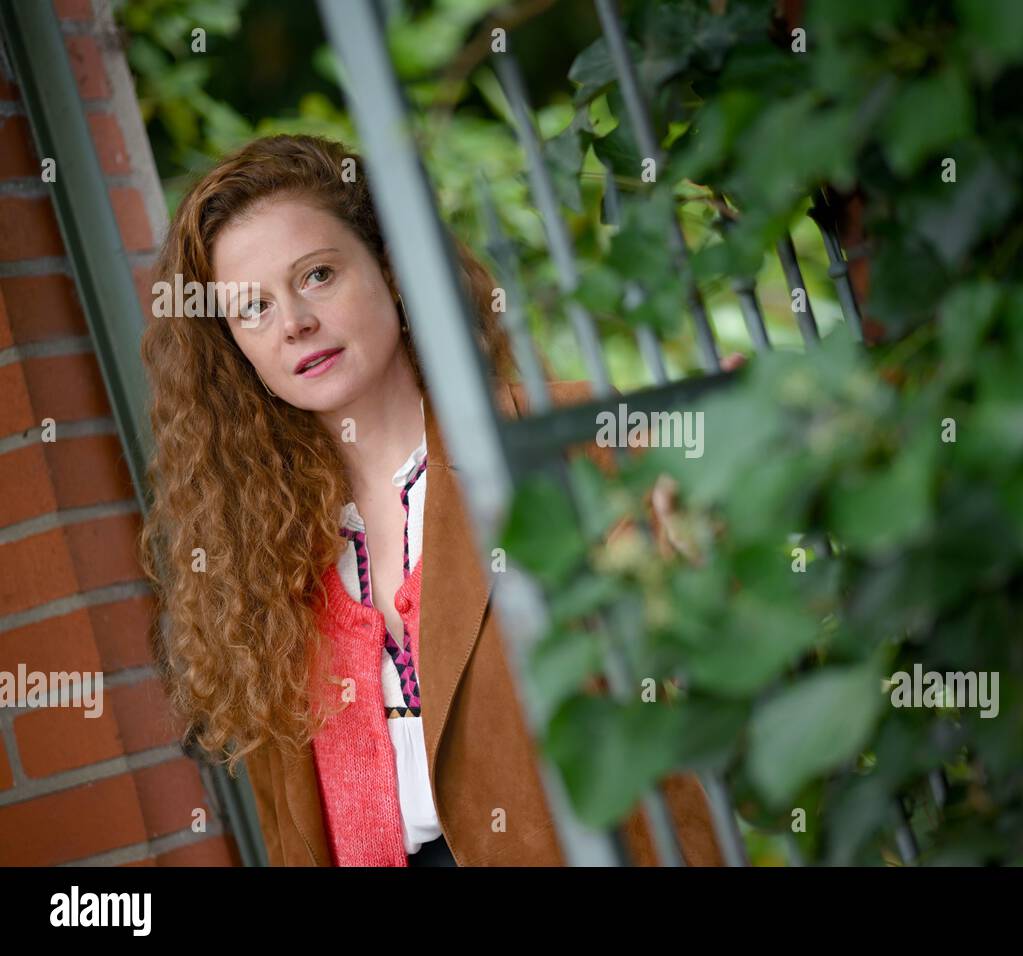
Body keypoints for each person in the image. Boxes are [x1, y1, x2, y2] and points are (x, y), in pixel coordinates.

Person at [139, 134, 724, 866]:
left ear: (391, 271)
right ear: (235, 349)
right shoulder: (250, 549)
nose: (293, 322)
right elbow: (291, 832)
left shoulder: (561, 439)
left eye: (317, 275)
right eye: (252, 308)